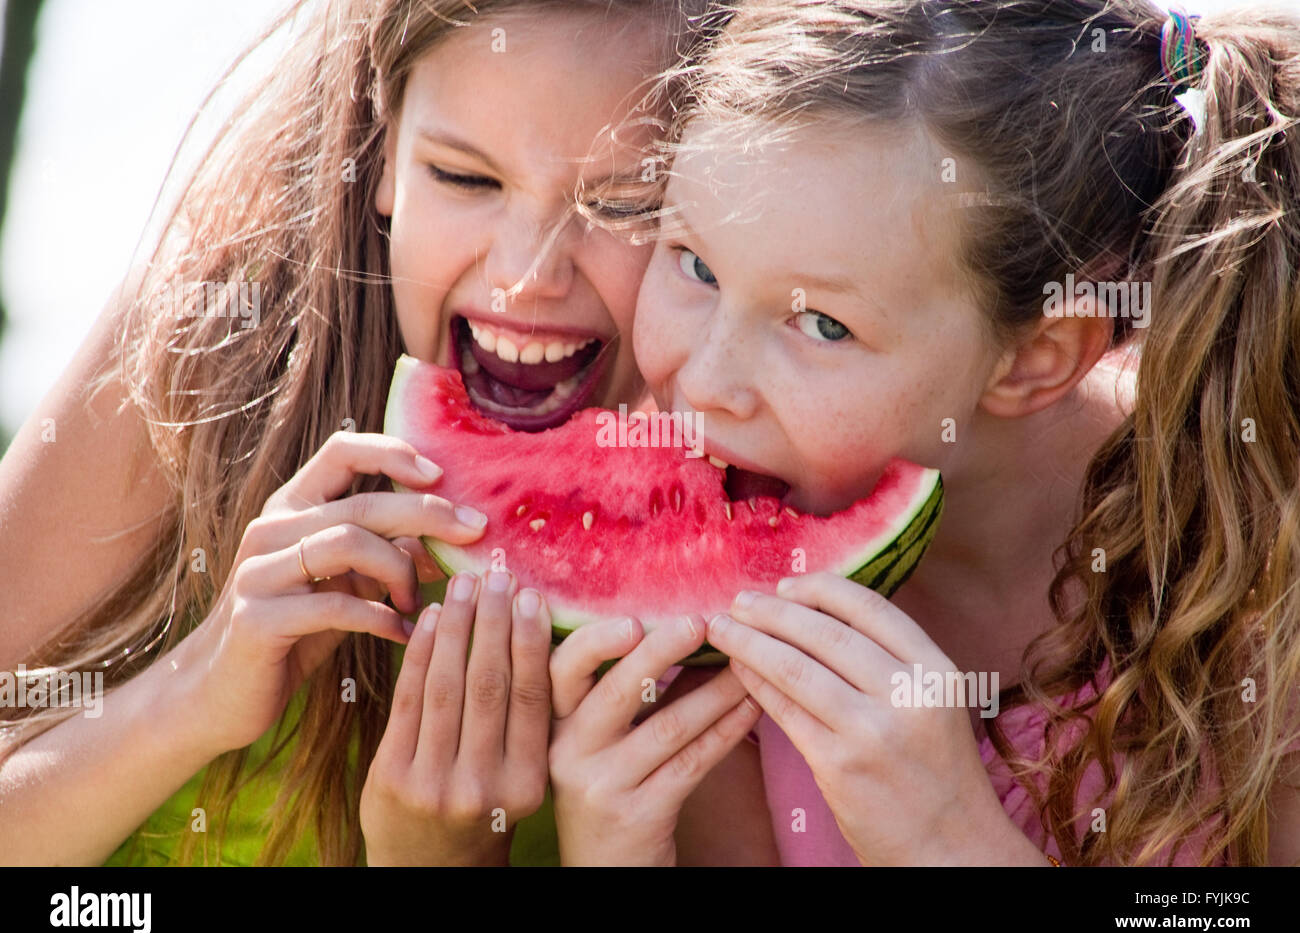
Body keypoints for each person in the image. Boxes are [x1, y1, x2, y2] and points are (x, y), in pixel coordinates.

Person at [548, 0, 1300, 865]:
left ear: (1035, 359)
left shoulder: (1255, 587)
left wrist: (952, 841)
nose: (705, 382)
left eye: (823, 326)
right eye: (696, 265)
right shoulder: (697, 627)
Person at [0, 0, 720, 866]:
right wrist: (194, 692)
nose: (527, 276)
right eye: (465, 178)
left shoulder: (755, 486)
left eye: (623, 203)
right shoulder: (206, 347)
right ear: (386, 156)